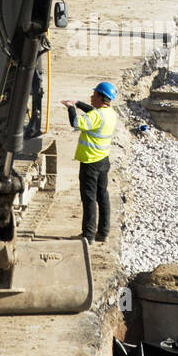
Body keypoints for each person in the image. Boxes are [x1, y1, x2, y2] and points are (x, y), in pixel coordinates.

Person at [60, 81, 117, 244]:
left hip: (90, 162)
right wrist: (78, 103)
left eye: (94, 94)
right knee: (103, 196)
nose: (92, 96)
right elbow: (93, 111)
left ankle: (88, 235)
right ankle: (104, 233)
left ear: (101, 97)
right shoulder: (110, 114)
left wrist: (70, 107)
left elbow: (75, 123)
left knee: (89, 198)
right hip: (103, 161)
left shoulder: (96, 116)